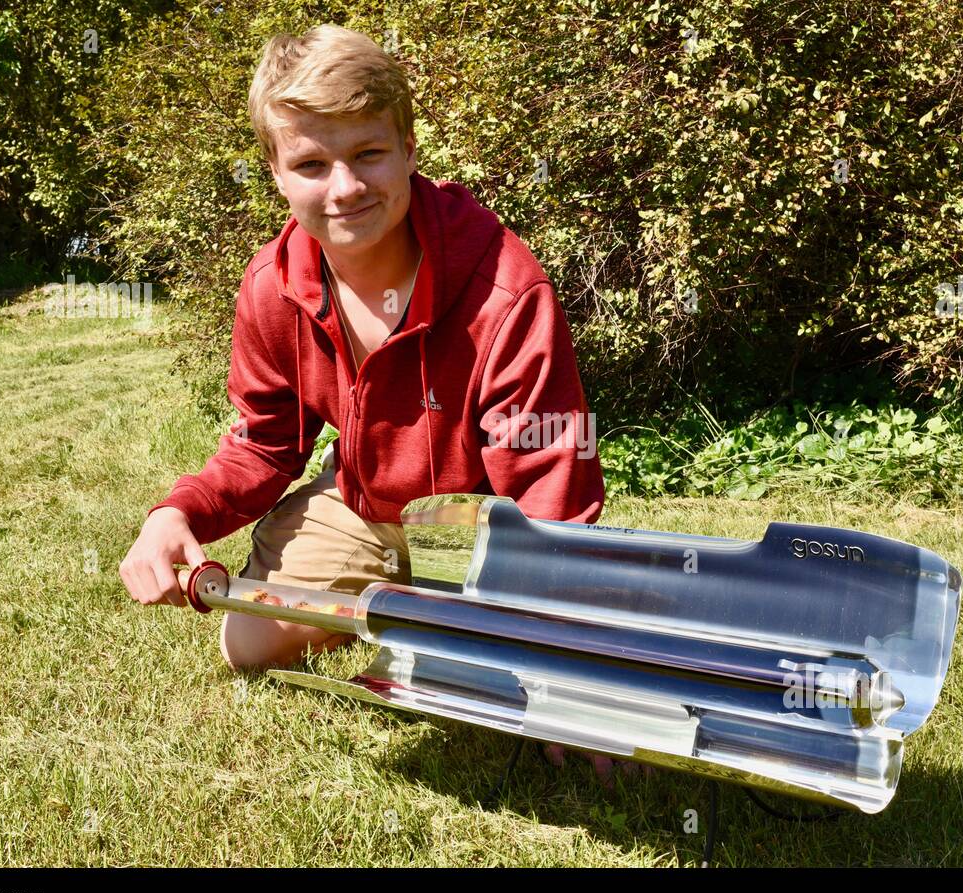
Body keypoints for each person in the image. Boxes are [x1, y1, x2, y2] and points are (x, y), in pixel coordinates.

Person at [119, 25, 633, 782]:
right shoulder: (272, 286)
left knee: (530, 671)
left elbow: (550, 482)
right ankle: (397, 596)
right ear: (276, 173)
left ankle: (458, 606)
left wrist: (571, 654)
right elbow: (264, 443)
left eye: (368, 154)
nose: (345, 188)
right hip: (362, 503)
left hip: (489, 527)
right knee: (246, 644)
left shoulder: (505, 286)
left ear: (410, 147)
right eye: (311, 163)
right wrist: (177, 513)